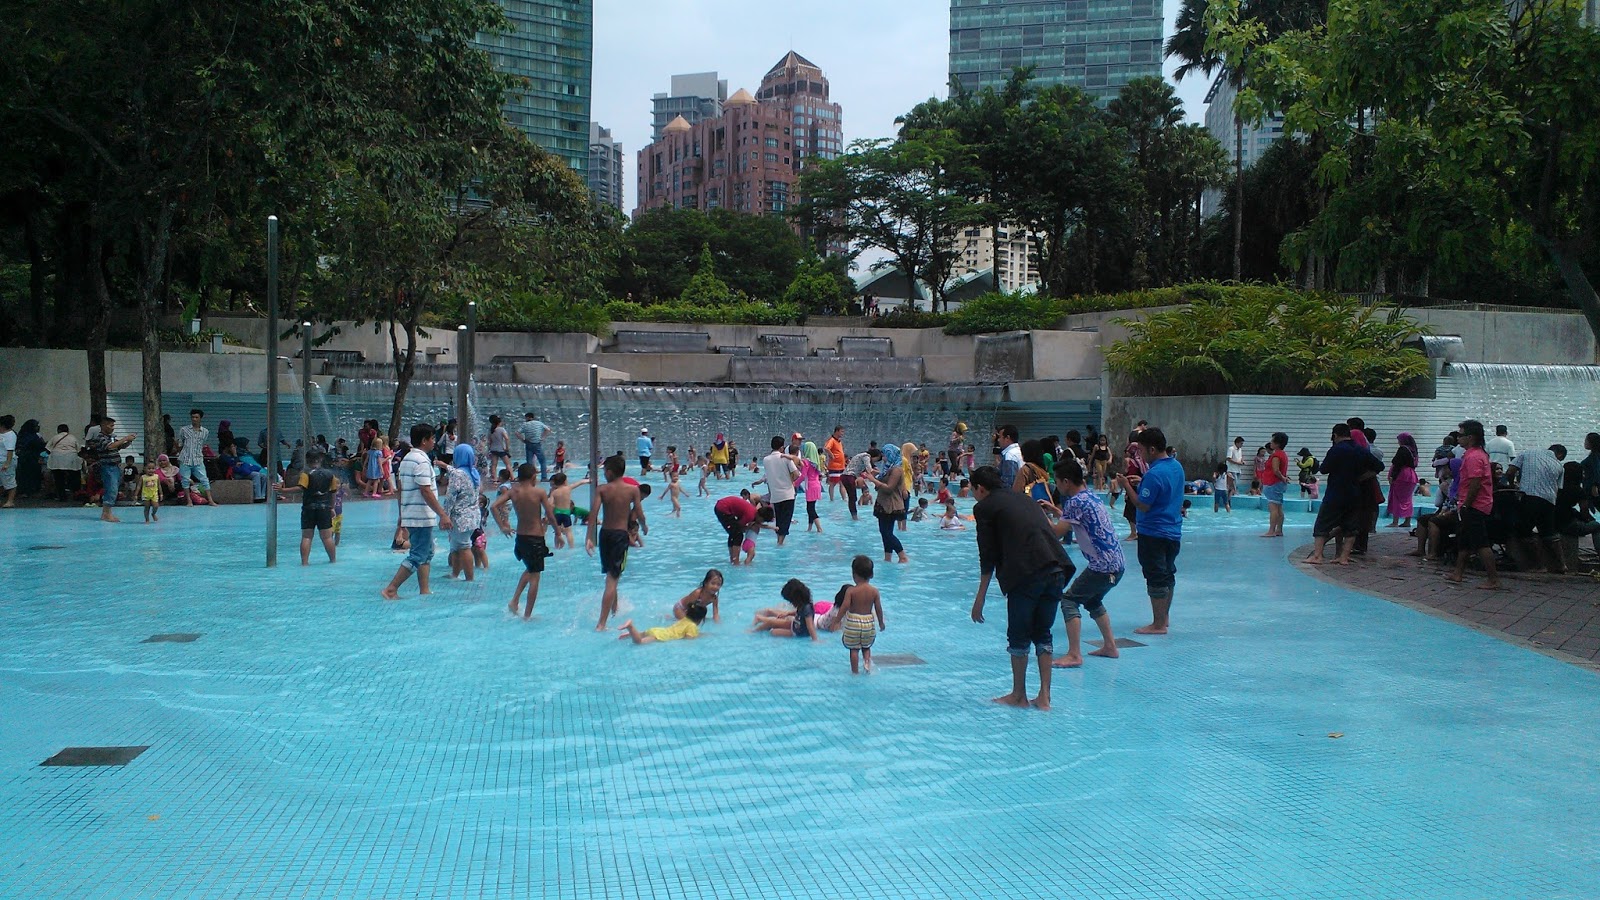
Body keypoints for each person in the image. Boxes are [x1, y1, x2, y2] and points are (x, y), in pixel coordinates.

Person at [969, 465, 1074, 711]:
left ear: (980, 488)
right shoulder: (1024, 499)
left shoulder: (985, 507)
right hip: (1056, 569)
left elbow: (987, 555)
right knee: (1043, 632)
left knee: (1019, 635)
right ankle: (1045, 696)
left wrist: (980, 597)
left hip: (1027, 574)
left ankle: (1019, 695)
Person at [1039, 457, 1123, 668]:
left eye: (1057, 481)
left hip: (1102, 567)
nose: (1056, 486)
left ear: (1066, 482)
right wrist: (1055, 511)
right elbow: (1074, 520)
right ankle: (1110, 646)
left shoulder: (1075, 502)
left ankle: (1074, 654)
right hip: (1117, 565)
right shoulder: (1090, 496)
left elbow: (1056, 533)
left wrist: (1040, 516)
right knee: (1092, 600)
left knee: (1068, 600)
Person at [1114, 428, 1183, 635]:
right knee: (1168, 573)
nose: (1140, 456)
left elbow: (1143, 505)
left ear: (1152, 450)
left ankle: (1158, 624)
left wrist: (1126, 485)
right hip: (1173, 531)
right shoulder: (1176, 466)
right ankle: (1164, 617)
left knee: (1155, 576)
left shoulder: (1154, 474)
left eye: (1141, 451)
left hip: (1153, 533)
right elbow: (1163, 492)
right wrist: (1142, 482)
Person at [382, 424, 452, 600]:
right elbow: (425, 490)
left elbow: (401, 489)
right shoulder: (421, 461)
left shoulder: (407, 459)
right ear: (424, 441)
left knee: (427, 552)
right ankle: (391, 589)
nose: (434, 442)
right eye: (432, 438)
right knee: (418, 555)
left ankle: (424, 589)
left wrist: (402, 513)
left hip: (412, 513)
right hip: (420, 515)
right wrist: (442, 514)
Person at [1305, 423, 1382, 566]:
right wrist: (1361, 478)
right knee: (1350, 527)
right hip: (1354, 494)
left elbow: (1324, 469)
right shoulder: (1360, 449)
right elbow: (1379, 466)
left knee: (1322, 525)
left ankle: (1317, 556)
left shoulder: (1336, 449)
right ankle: (1343, 557)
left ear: (1335, 435)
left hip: (1336, 493)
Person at [586, 455, 645, 631]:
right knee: (612, 579)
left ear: (610, 472)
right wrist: (644, 525)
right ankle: (601, 624)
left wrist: (588, 538)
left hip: (605, 535)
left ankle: (614, 610)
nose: (604, 474)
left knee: (612, 575)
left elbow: (593, 514)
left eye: (604, 471)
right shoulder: (632, 490)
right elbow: (639, 512)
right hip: (620, 536)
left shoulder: (602, 490)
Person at [491, 463, 556, 619]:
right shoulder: (539, 492)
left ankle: (514, 601)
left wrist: (503, 527)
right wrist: (558, 533)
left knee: (530, 569)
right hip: (535, 539)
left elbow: (493, 506)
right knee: (535, 577)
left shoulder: (513, 492)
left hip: (521, 538)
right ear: (533, 477)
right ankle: (527, 616)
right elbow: (550, 515)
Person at [1447, 420, 1501, 589]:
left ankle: (1493, 579)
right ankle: (1458, 573)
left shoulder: (1474, 457)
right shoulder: (1474, 454)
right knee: (1465, 540)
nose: (1458, 438)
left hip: (1475, 505)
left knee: (1481, 543)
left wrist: (1466, 505)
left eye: (1460, 435)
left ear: (1470, 437)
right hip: (1471, 504)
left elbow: (1475, 483)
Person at [1506, 444, 1567, 574]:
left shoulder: (1528, 452)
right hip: (1550, 500)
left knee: (1523, 532)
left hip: (1530, 496)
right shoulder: (1559, 466)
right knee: (1549, 534)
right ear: (1560, 454)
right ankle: (1561, 565)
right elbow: (1559, 488)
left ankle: (1539, 565)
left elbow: (1510, 471)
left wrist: (1512, 484)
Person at [277, 450, 341, 564]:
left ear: (306, 460)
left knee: (307, 537)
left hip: (309, 508)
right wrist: (331, 507)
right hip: (324, 508)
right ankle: (333, 560)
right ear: (320, 459)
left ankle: (305, 563)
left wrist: (283, 490)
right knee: (327, 537)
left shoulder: (305, 474)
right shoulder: (330, 475)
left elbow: (300, 488)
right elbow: (333, 492)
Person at [440, 444, 484, 581]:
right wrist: (444, 466)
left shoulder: (457, 474)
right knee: (455, 546)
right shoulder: (474, 473)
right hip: (473, 516)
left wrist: (444, 515)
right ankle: (455, 574)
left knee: (464, 546)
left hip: (460, 517)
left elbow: (450, 497)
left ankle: (469, 578)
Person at [859, 445, 908, 563]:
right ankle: (888, 557)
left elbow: (889, 488)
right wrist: (875, 478)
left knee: (887, 533)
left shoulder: (896, 470)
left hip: (891, 506)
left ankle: (902, 556)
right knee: (885, 532)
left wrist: (873, 480)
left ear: (891, 454)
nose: (883, 457)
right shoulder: (888, 468)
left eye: (885, 454)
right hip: (883, 504)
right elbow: (880, 486)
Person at [839, 555, 885, 674]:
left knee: (854, 649)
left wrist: (836, 620)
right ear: (871, 574)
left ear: (854, 574)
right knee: (866, 647)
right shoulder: (874, 591)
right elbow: (878, 609)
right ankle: (867, 667)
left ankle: (855, 672)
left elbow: (844, 606)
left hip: (853, 624)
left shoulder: (851, 591)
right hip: (868, 624)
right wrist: (881, 623)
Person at [85, 416, 135, 522]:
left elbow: (119, 446)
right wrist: (125, 438)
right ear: (103, 425)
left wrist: (129, 441)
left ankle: (106, 513)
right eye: (111, 426)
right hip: (108, 467)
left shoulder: (110, 437)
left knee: (114, 489)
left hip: (115, 467)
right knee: (111, 489)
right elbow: (110, 446)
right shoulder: (100, 438)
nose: (113, 428)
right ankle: (106, 513)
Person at [758, 435, 799, 545]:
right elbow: (796, 474)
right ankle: (780, 543)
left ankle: (779, 541)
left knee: (779, 520)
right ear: (781, 447)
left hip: (775, 496)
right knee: (786, 520)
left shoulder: (765, 460)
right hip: (787, 494)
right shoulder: (785, 458)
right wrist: (790, 480)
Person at [713, 492, 772, 565]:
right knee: (738, 534)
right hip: (723, 508)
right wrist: (748, 527)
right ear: (760, 517)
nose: (761, 522)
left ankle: (733, 559)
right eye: (762, 521)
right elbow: (740, 527)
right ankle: (735, 561)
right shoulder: (750, 515)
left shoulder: (753, 511)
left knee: (733, 533)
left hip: (722, 506)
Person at [752, 579, 819, 640]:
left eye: (790, 601)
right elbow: (799, 612)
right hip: (795, 625)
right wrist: (787, 614)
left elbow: (810, 626)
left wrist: (815, 640)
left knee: (773, 632)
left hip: (799, 633)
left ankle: (758, 627)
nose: (790, 603)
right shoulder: (803, 604)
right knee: (771, 623)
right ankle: (754, 630)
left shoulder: (807, 608)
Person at [173, 409, 213, 506]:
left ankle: (210, 500)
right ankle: (189, 500)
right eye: (193, 417)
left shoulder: (205, 431)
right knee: (185, 480)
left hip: (198, 458)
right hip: (185, 458)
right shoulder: (184, 430)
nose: (194, 419)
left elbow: (202, 443)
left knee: (204, 479)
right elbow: (180, 443)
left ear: (200, 418)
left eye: (196, 417)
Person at [618, 602, 707, 645]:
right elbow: (688, 640)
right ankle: (630, 627)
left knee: (642, 635)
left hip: (658, 630)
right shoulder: (692, 626)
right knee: (639, 642)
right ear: (701, 619)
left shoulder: (684, 619)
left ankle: (630, 634)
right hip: (660, 636)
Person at [1386, 433, 1420, 528]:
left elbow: (1397, 464)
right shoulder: (1413, 450)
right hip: (1411, 475)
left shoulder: (1403, 449)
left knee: (1396, 497)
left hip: (1402, 475)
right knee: (1407, 498)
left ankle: (1395, 522)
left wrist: (1393, 476)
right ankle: (1407, 521)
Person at [548, 472, 588, 548]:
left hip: (557, 514)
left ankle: (557, 547)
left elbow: (550, 504)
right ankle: (571, 547)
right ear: (564, 481)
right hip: (566, 513)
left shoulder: (554, 492)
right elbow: (579, 483)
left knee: (557, 533)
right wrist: (588, 481)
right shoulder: (568, 488)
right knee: (569, 532)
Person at [46, 424, 82, 502]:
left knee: (58, 478)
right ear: (68, 430)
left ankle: (62, 496)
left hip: (57, 460)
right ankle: (76, 494)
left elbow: (48, 449)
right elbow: (79, 450)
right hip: (71, 458)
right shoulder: (73, 437)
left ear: (58, 430)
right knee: (74, 477)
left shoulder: (55, 437)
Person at [841, 447, 873, 521]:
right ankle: (854, 517)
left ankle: (854, 516)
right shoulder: (866, 456)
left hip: (846, 476)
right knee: (853, 498)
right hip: (849, 476)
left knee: (852, 498)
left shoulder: (859, 456)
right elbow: (869, 469)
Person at [518, 412, 551, 480]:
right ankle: (544, 477)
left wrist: (522, 440)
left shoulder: (525, 424)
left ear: (528, 417)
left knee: (529, 462)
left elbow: (517, 432)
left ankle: (529, 478)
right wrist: (543, 437)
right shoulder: (539, 423)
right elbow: (548, 429)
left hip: (528, 444)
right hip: (537, 443)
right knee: (542, 461)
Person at [485, 415, 512, 483]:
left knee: (494, 465)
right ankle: (512, 477)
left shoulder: (491, 430)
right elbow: (507, 438)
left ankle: (495, 479)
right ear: (498, 422)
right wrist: (507, 448)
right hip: (501, 449)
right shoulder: (501, 429)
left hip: (493, 449)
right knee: (508, 464)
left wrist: (489, 449)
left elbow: (489, 441)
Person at [996, 424, 1022, 489]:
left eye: (1000, 437)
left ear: (1007, 438)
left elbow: (1008, 482)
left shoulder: (1009, 456)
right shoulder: (1019, 451)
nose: (998, 440)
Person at [0, 415, 15, 508]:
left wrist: (7, 463)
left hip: (6, 460)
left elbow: (10, 450)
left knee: (9, 480)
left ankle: (10, 501)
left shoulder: (10, 435)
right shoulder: (1, 434)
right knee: (1, 482)